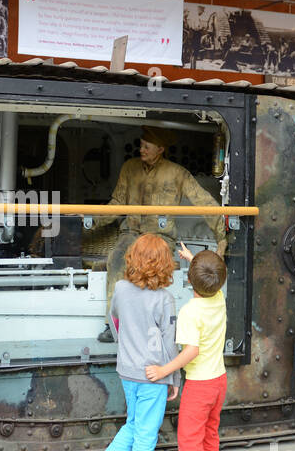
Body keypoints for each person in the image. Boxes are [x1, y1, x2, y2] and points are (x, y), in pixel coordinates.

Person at [97, 126, 226, 342]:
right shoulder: (129, 168)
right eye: (141, 144)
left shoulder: (178, 174)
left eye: (147, 146)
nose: (141, 149)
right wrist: (91, 221)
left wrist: (221, 237)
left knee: (154, 266)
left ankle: (152, 325)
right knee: (117, 260)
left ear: (160, 149)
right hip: (130, 232)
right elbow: (118, 202)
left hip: (161, 236)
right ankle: (113, 326)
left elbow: (203, 202)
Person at [82, 234, 181, 451]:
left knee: (134, 425)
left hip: (127, 371)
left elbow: (114, 320)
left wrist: (125, 346)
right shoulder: (165, 299)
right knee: (147, 435)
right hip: (154, 374)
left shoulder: (122, 289)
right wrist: (174, 378)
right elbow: (169, 342)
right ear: (164, 265)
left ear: (132, 259)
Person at [146, 246, 228, 451]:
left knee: (188, 442)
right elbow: (210, 278)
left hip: (200, 385)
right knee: (209, 435)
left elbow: (190, 351)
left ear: (189, 281)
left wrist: (163, 370)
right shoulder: (218, 297)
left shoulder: (190, 311)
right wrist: (195, 260)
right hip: (219, 380)